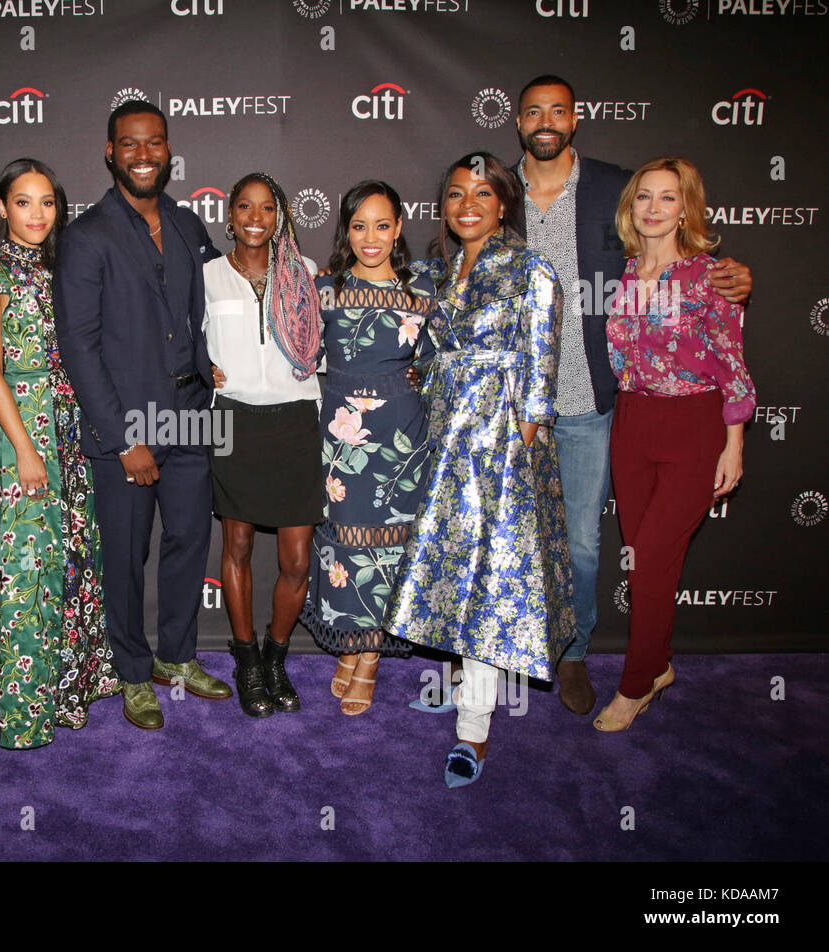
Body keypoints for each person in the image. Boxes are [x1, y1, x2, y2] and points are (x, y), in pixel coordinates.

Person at [512, 75, 752, 715]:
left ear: (575, 118)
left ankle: (571, 655)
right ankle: (511, 651)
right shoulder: (497, 192)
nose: (545, 120)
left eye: (557, 110)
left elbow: (695, 277)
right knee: (512, 538)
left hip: (594, 404)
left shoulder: (611, 184)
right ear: (517, 121)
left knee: (586, 545)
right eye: (533, 111)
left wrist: (733, 277)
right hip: (516, 406)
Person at [385, 153, 574, 787]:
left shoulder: (530, 269)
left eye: (483, 193)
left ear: (504, 203)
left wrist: (520, 444)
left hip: (499, 447)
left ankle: (473, 728)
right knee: (451, 571)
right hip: (445, 439)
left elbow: (541, 367)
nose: (468, 203)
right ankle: (463, 684)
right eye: (457, 193)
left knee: (490, 581)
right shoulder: (438, 273)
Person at [53, 100, 231, 731]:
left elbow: (207, 304)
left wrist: (214, 367)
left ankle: (176, 657)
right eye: (130, 144)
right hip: (127, 424)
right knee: (125, 556)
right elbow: (79, 345)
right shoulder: (86, 235)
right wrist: (125, 435)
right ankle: (132, 671)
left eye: (155, 143)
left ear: (169, 149)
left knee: (189, 541)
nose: (144, 154)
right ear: (110, 152)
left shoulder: (186, 224)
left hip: (190, 415)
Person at [0, 158, 120, 749]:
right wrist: (25, 450)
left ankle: (64, 691)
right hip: (21, 430)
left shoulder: (64, 267)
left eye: (47, 202)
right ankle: (20, 707)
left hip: (70, 426)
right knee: (27, 570)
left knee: (71, 562)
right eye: (23, 202)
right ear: (1, 208)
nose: (36, 214)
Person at [596, 157, 755, 731]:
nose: (654, 208)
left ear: (686, 207)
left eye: (668, 198)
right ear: (630, 207)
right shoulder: (626, 276)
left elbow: (732, 364)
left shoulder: (710, 276)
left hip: (694, 426)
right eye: (644, 197)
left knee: (651, 566)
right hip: (632, 424)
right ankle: (659, 664)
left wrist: (732, 443)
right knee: (642, 558)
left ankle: (636, 684)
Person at [300, 180, 437, 716]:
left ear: (400, 228)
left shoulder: (423, 290)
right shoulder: (325, 289)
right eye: (360, 226)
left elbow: (443, 357)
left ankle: (370, 656)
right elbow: (298, 354)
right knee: (344, 543)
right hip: (339, 437)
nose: (371, 237)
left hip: (401, 435)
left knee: (388, 544)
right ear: (346, 231)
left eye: (382, 225)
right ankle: (352, 642)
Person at [203, 172, 322, 718]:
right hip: (235, 423)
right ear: (229, 215)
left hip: (296, 421)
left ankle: (277, 656)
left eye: (267, 208)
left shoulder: (305, 275)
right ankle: (247, 660)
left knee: (297, 559)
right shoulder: (205, 276)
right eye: (245, 206)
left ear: (280, 217)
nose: (255, 217)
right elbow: (181, 342)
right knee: (239, 547)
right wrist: (202, 369)